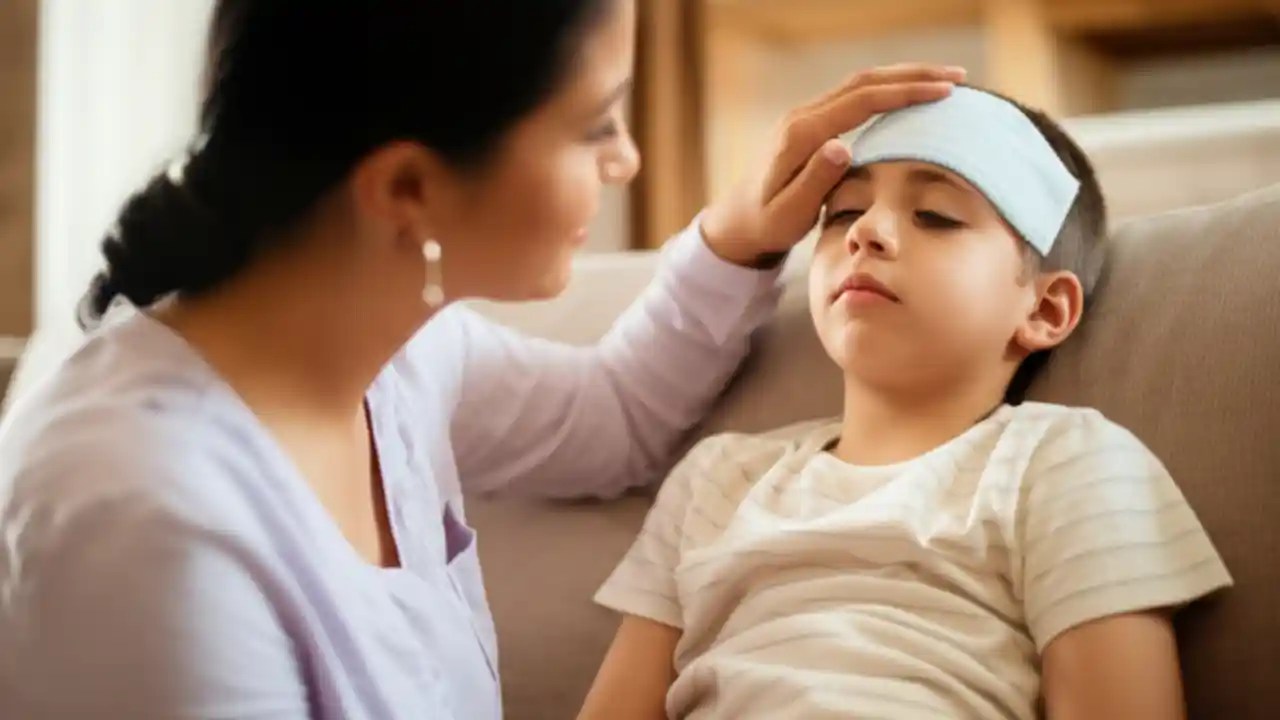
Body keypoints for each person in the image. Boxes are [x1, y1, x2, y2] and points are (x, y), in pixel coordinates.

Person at [0, 0, 967, 718]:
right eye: (595, 123)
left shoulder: (392, 349)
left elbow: (611, 419)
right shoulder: (143, 526)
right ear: (409, 186)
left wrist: (741, 235)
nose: (624, 159)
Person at [580, 86, 1233, 720]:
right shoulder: (718, 478)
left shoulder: (1066, 463)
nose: (867, 232)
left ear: (1043, 307)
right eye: (841, 215)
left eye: (936, 216)